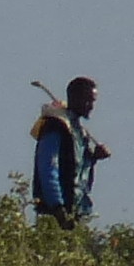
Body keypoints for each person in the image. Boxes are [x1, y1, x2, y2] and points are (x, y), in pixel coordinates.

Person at [32, 77, 111, 229]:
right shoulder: (56, 127)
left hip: (78, 211)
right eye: (88, 100)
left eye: (93, 101)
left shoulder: (79, 131)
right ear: (75, 98)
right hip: (55, 214)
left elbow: (79, 171)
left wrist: (93, 157)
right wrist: (57, 208)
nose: (91, 106)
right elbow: (48, 167)